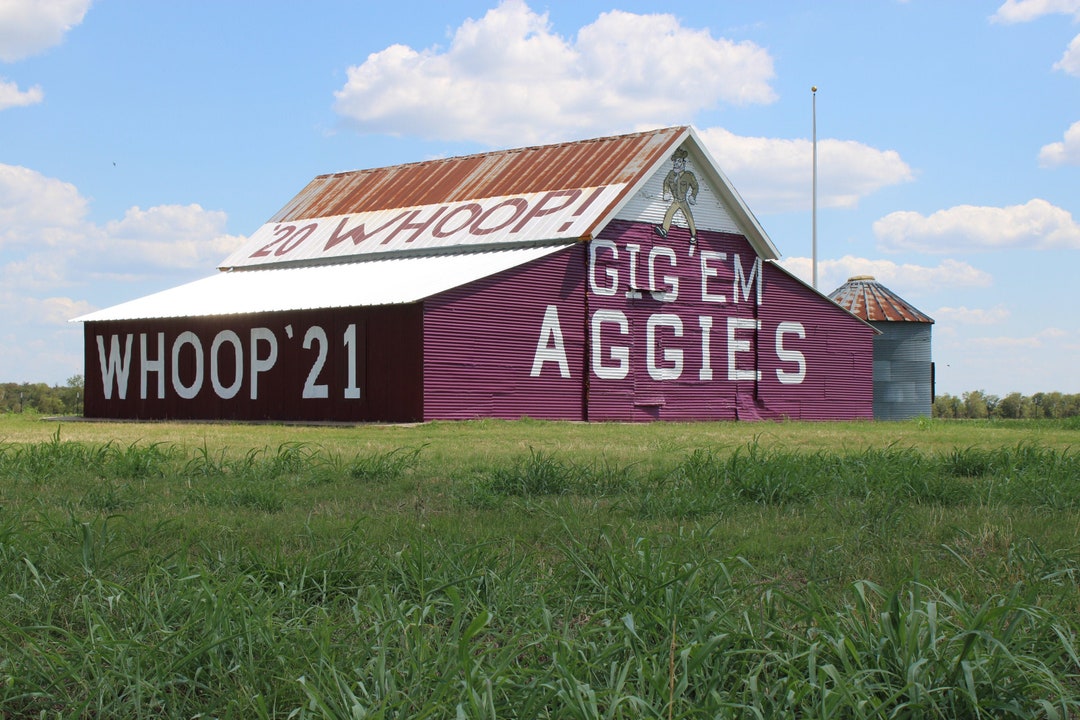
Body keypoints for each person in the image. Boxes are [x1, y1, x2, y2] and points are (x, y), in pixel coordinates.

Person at [654, 147, 699, 249]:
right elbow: (666, 183)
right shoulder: (671, 174)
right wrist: (666, 192)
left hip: (683, 201)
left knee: (689, 217)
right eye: (675, 161)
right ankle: (664, 231)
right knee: (669, 213)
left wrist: (693, 196)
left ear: (683, 162)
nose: (676, 163)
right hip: (675, 201)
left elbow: (695, 186)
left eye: (679, 161)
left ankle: (694, 236)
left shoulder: (688, 175)